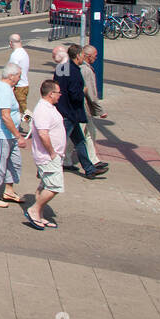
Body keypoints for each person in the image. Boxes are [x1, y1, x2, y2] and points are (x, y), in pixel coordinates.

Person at [55, 43, 108, 180]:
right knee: (60, 143)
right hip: (70, 113)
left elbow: (58, 86)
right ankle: (47, 168)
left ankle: (89, 169)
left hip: (62, 109)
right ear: (78, 55)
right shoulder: (75, 71)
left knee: (79, 141)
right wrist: (82, 91)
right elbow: (75, 94)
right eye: (82, 55)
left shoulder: (61, 68)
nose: (83, 58)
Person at [0, 62, 29, 207]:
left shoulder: (5, 87)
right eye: (18, 76)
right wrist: (18, 135)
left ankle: (9, 190)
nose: (19, 78)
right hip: (2, 135)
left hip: (7, 135)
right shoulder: (3, 89)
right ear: (11, 76)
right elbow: (5, 116)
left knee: (13, 163)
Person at [26, 79, 68, 229]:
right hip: (48, 157)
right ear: (51, 94)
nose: (60, 95)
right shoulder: (43, 110)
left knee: (44, 185)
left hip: (52, 156)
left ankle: (39, 214)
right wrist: (52, 153)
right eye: (58, 92)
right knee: (55, 186)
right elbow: (43, 134)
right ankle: (34, 210)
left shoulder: (48, 107)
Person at [9, 33, 31, 126]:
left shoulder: (15, 55)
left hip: (19, 87)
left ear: (11, 43)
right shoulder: (23, 52)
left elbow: (14, 71)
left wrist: (11, 85)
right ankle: (17, 124)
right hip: (24, 85)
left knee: (23, 110)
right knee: (18, 109)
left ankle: (32, 122)